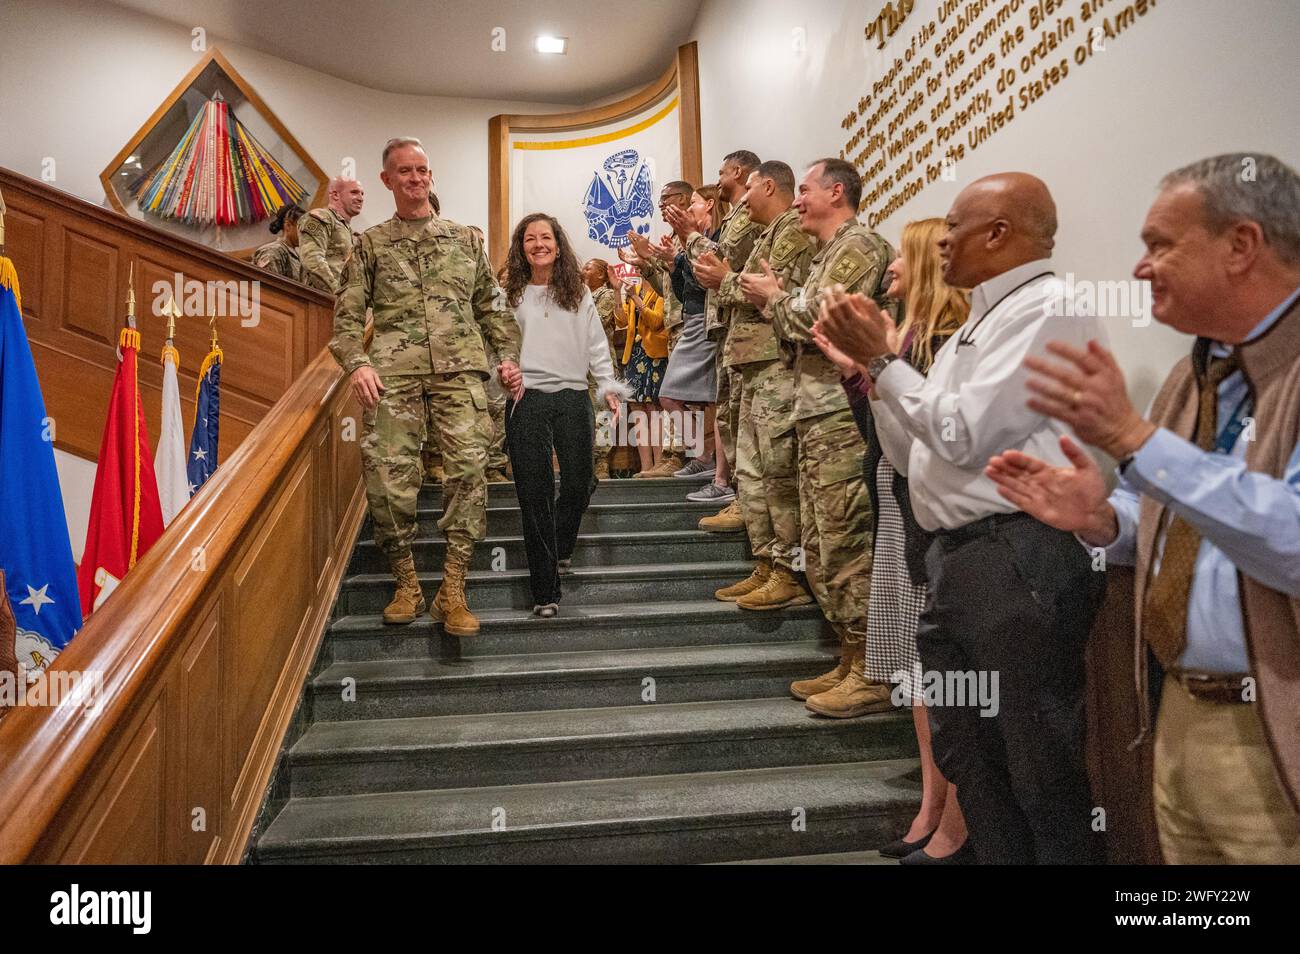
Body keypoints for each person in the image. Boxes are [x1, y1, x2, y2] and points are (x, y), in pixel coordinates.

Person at [985, 154, 1300, 864]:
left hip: (1276, 725)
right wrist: (1104, 520)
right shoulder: (1203, 371)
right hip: (1178, 713)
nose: (1140, 269)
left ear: (1242, 245)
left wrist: (1133, 438)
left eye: (1161, 245)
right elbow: (1173, 521)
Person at [818, 171, 1108, 863]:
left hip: (1014, 559)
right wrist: (872, 371)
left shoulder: (1048, 306)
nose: (941, 240)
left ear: (1000, 233)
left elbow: (961, 434)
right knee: (970, 751)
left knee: (1037, 763)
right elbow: (910, 446)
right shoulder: (975, 322)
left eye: (954, 226)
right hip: (956, 561)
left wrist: (885, 359)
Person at [813, 217, 973, 864]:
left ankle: (953, 820)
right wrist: (859, 376)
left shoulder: (943, 342)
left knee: (943, 680)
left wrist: (871, 369)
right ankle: (931, 805)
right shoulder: (906, 335)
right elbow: (882, 432)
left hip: (930, 510)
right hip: (896, 493)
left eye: (901, 261)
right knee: (918, 674)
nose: (890, 272)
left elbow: (929, 439)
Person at [330, 137, 520, 637]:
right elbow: (346, 319)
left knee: (469, 474)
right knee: (388, 482)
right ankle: (407, 583)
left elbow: (491, 307)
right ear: (387, 181)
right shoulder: (369, 245)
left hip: (460, 374)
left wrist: (507, 358)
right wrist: (357, 364)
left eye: (422, 170)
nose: (416, 178)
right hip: (393, 378)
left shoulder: (464, 240)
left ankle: (453, 588)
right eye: (405, 172)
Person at [741, 158, 893, 719]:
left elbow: (814, 321)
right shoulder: (829, 253)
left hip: (840, 416)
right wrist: (786, 301)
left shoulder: (861, 246)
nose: (797, 200)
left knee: (846, 539)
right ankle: (852, 657)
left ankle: (874, 672)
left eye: (803, 190)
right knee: (824, 540)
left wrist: (774, 300)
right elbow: (800, 314)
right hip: (815, 413)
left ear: (836, 192)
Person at [695, 160, 814, 604]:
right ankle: (765, 564)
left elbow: (764, 288)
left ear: (767, 184)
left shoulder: (790, 229)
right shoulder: (770, 232)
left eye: (748, 192)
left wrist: (725, 279)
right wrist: (730, 280)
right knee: (754, 471)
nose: (742, 201)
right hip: (752, 361)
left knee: (778, 473)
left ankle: (789, 571)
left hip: (775, 362)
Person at [502, 213, 628, 616]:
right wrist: (502, 372)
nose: (538, 244)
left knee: (579, 482)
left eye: (546, 237)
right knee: (533, 494)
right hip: (527, 400)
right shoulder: (508, 294)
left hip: (573, 396)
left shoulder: (578, 292)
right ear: (521, 248)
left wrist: (608, 386)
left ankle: (560, 544)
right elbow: (497, 345)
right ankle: (545, 591)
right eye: (530, 238)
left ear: (558, 244)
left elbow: (596, 344)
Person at [676, 150, 763, 526]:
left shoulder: (746, 215)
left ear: (738, 171)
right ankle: (735, 492)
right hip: (731, 328)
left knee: (741, 422)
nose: (719, 177)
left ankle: (732, 489)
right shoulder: (739, 215)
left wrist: (690, 237)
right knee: (730, 415)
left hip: (750, 332)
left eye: (722, 171)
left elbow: (721, 259)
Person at [658, 185, 729, 501]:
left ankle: (706, 457)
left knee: (677, 395)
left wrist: (682, 256)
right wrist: (674, 264)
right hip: (693, 317)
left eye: (694, 204)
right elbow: (684, 289)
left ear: (709, 205)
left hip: (705, 320)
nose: (689, 211)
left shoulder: (712, 240)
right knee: (685, 396)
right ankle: (705, 455)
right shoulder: (693, 242)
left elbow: (707, 283)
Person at [626, 181, 695, 477]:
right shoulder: (674, 239)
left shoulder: (691, 237)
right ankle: (675, 455)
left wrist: (651, 258)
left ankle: (687, 456)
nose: (661, 206)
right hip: (676, 326)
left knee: (680, 397)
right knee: (673, 396)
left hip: (690, 325)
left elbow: (691, 280)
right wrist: (647, 265)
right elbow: (667, 289)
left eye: (665, 199)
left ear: (683, 199)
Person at [619, 275, 669, 474]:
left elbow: (656, 322)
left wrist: (637, 300)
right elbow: (622, 320)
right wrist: (617, 293)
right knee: (638, 409)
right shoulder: (635, 288)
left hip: (655, 355)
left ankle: (659, 465)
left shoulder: (660, 287)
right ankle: (645, 466)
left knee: (653, 408)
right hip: (635, 355)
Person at [583, 257, 622, 478]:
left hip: (600, 364)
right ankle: (587, 460)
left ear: (600, 274)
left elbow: (595, 321)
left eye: (588, 268)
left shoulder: (605, 296)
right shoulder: (579, 296)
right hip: (581, 366)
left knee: (603, 414)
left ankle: (602, 461)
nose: (583, 271)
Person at [300, 176, 364, 294]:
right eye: (354, 192)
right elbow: (312, 261)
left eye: (362, 194)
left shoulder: (352, 233)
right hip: (321, 301)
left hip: (344, 305)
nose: (360, 198)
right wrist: (338, 295)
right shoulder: (321, 218)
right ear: (335, 195)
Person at [253, 203, 306, 282]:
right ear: (288, 226)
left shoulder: (298, 255)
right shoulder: (273, 252)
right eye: (302, 228)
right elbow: (268, 287)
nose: (306, 233)